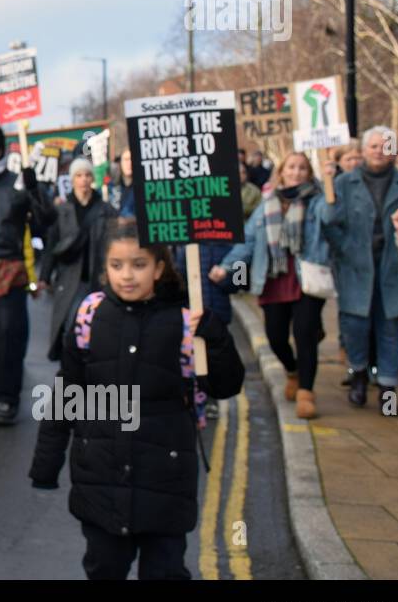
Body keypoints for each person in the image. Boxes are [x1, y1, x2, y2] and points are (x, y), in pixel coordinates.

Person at [29, 219, 245, 579]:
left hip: (165, 478)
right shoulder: (89, 314)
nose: (127, 275)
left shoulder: (184, 321)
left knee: (165, 572)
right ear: (105, 269)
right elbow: (67, 393)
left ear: (159, 268)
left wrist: (215, 337)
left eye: (139, 265)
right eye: (117, 266)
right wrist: (45, 465)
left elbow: (225, 386)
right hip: (101, 477)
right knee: (104, 569)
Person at [318, 126, 398, 415]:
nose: (379, 151)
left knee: (390, 330)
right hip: (355, 268)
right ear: (365, 150)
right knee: (355, 326)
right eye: (373, 146)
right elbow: (329, 221)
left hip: (392, 269)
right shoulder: (344, 183)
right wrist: (343, 246)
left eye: (385, 146)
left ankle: (388, 392)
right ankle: (358, 375)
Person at [212, 152, 329, 419]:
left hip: (306, 279)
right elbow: (248, 241)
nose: (297, 172)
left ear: (309, 173)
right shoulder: (267, 205)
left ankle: (306, 393)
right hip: (273, 279)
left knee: (305, 334)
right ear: (282, 172)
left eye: (302, 168)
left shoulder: (318, 200)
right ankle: (292, 370)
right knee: (276, 337)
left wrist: (330, 184)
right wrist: (227, 266)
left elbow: (333, 219)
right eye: (292, 167)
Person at [0, 116, 56, 425]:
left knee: (9, 337)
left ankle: (8, 398)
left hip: (9, 269)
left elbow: (46, 219)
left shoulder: (17, 185)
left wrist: (34, 188)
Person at [38, 157, 114, 362]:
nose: (83, 180)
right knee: (71, 324)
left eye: (87, 175)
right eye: (79, 175)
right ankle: (72, 367)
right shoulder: (62, 210)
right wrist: (44, 276)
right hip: (69, 277)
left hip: (98, 277)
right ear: (72, 179)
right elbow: (51, 244)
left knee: (98, 327)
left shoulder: (105, 210)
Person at [108, 148, 137, 217]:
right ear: (120, 162)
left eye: (132, 159)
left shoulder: (142, 187)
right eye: (126, 159)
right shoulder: (111, 187)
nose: (129, 163)